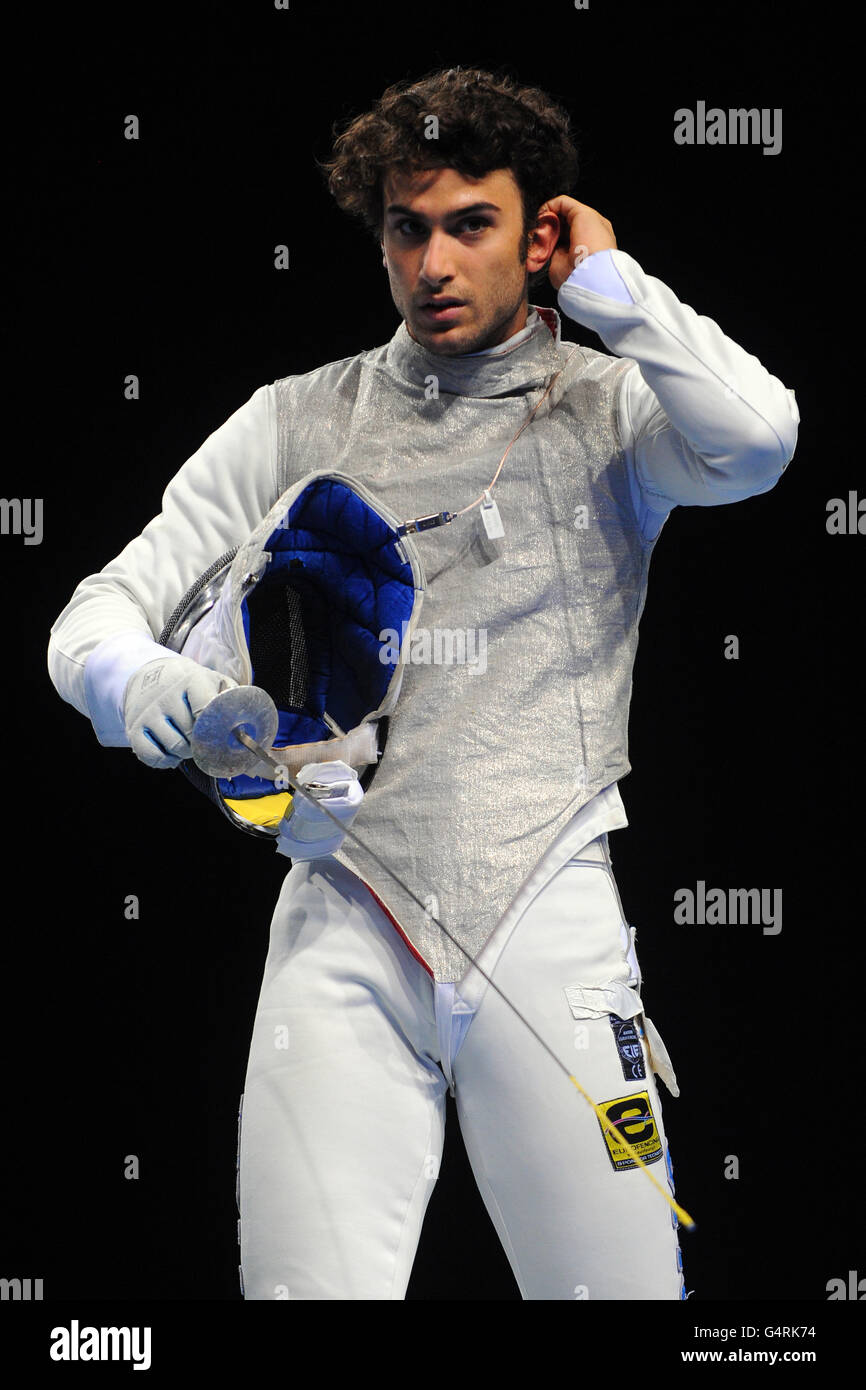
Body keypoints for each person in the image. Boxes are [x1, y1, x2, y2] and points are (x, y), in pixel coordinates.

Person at [47, 66, 799, 1300]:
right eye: (407, 229)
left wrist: (614, 290)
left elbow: (757, 440)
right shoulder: (297, 417)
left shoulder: (611, 412)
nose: (433, 263)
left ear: (538, 235)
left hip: (545, 913)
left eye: (470, 225)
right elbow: (91, 617)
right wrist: (137, 682)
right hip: (342, 916)